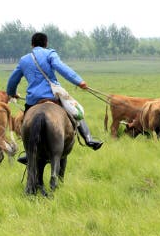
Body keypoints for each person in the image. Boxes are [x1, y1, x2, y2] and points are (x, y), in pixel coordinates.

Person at [6, 32, 103, 164]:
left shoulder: (24, 60)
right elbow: (62, 68)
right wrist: (79, 81)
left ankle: (29, 154)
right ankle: (89, 139)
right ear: (46, 44)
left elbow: (12, 80)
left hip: (33, 100)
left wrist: (12, 93)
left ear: (32, 44)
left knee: (25, 123)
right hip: (53, 96)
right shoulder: (50, 54)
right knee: (76, 111)